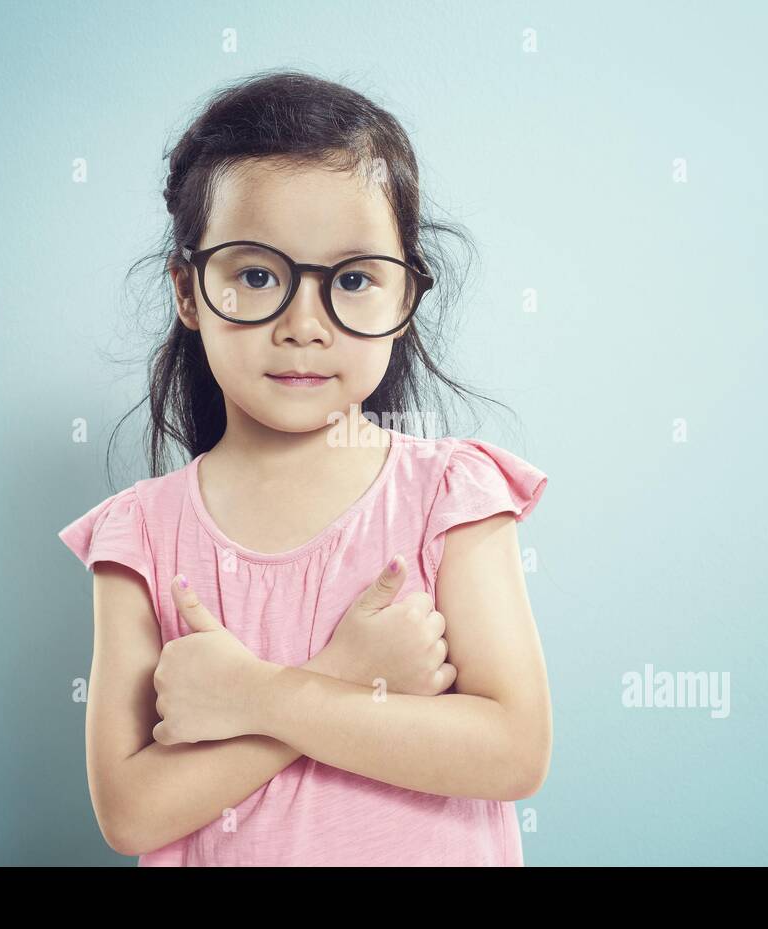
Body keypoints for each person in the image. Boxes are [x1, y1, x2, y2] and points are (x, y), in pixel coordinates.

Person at [58, 68, 550, 866]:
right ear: (189, 290)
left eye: (352, 280)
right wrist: (346, 674)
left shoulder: (451, 497)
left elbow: (512, 751)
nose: (303, 324)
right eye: (256, 275)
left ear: (405, 295)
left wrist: (254, 697)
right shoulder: (140, 534)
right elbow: (131, 814)